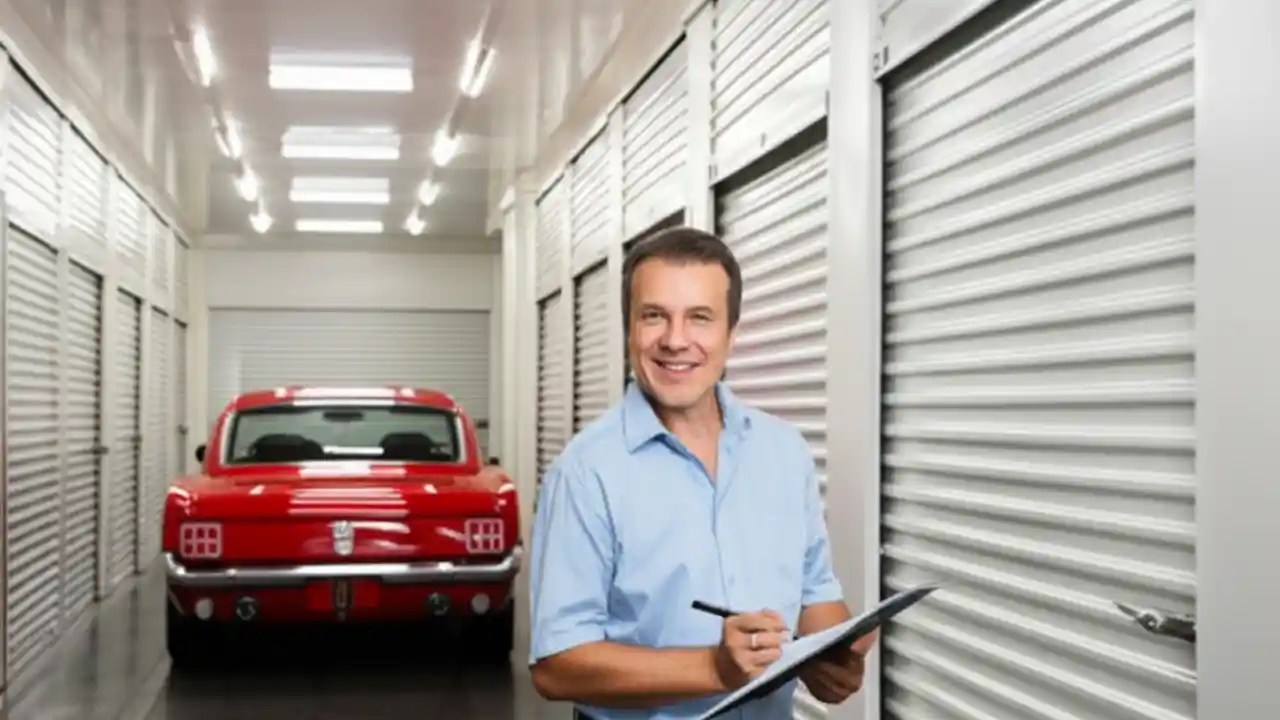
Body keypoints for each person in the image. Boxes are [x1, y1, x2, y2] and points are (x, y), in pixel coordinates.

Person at [527, 227, 874, 719]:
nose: (675, 340)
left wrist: (833, 655)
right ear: (629, 329)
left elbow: (816, 596)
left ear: (731, 334)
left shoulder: (784, 452)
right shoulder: (584, 473)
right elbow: (556, 666)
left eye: (700, 318)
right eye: (654, 316)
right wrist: (715, 668)